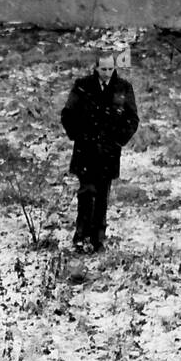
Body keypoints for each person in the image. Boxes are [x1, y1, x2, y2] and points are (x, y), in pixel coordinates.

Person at [60, 51, 139, 253]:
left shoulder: (123, 88)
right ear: (96, 68)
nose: (107, 73)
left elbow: (132, 119)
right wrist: (79, 136)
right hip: (86, 150)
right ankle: (80, 235)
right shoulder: (83, 86)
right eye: (103, 69)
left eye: (110, 69)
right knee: (86, 192)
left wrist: (118, 140)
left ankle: (98, 238)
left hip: (108, 152)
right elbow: (68, 114)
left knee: (103, 194)